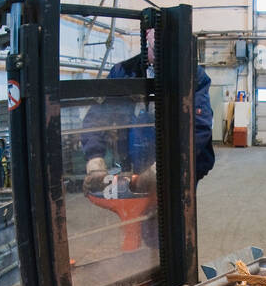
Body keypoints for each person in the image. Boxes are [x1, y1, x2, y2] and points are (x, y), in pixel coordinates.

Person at [81, 31, 215, 193]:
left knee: (174, 213)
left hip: (177, 169)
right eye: (156, 48)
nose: (162, 60)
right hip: (131, 166)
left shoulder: (193, 75)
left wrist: (162, 169)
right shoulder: (123, 73)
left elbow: (198, 128)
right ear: (146, 39)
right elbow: (97, 117)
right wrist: (95, 160)